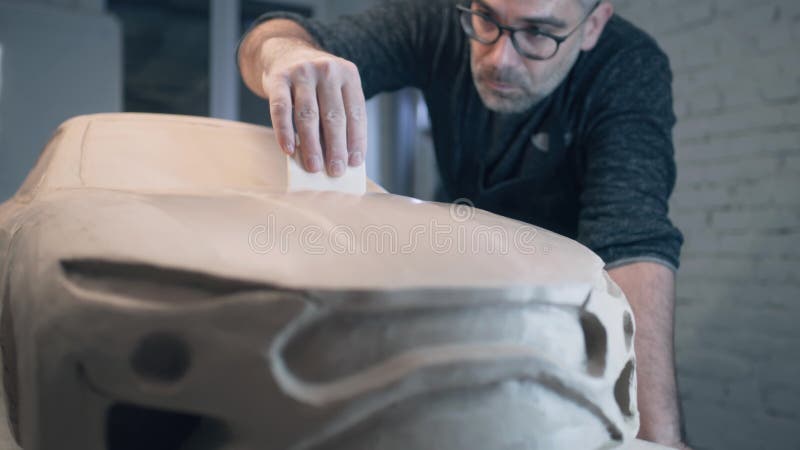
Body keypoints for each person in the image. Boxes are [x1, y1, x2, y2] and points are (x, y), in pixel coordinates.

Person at [238, 0, 688, 447]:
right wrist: (286, 54)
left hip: (563, 315)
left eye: (538, 33)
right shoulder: (438, 23)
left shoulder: (627, 68)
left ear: (593, 26)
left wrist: (657, 440)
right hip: (458, 270)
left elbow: (630, 239)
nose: (500, 59)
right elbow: (275, 32)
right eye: (487, 18)